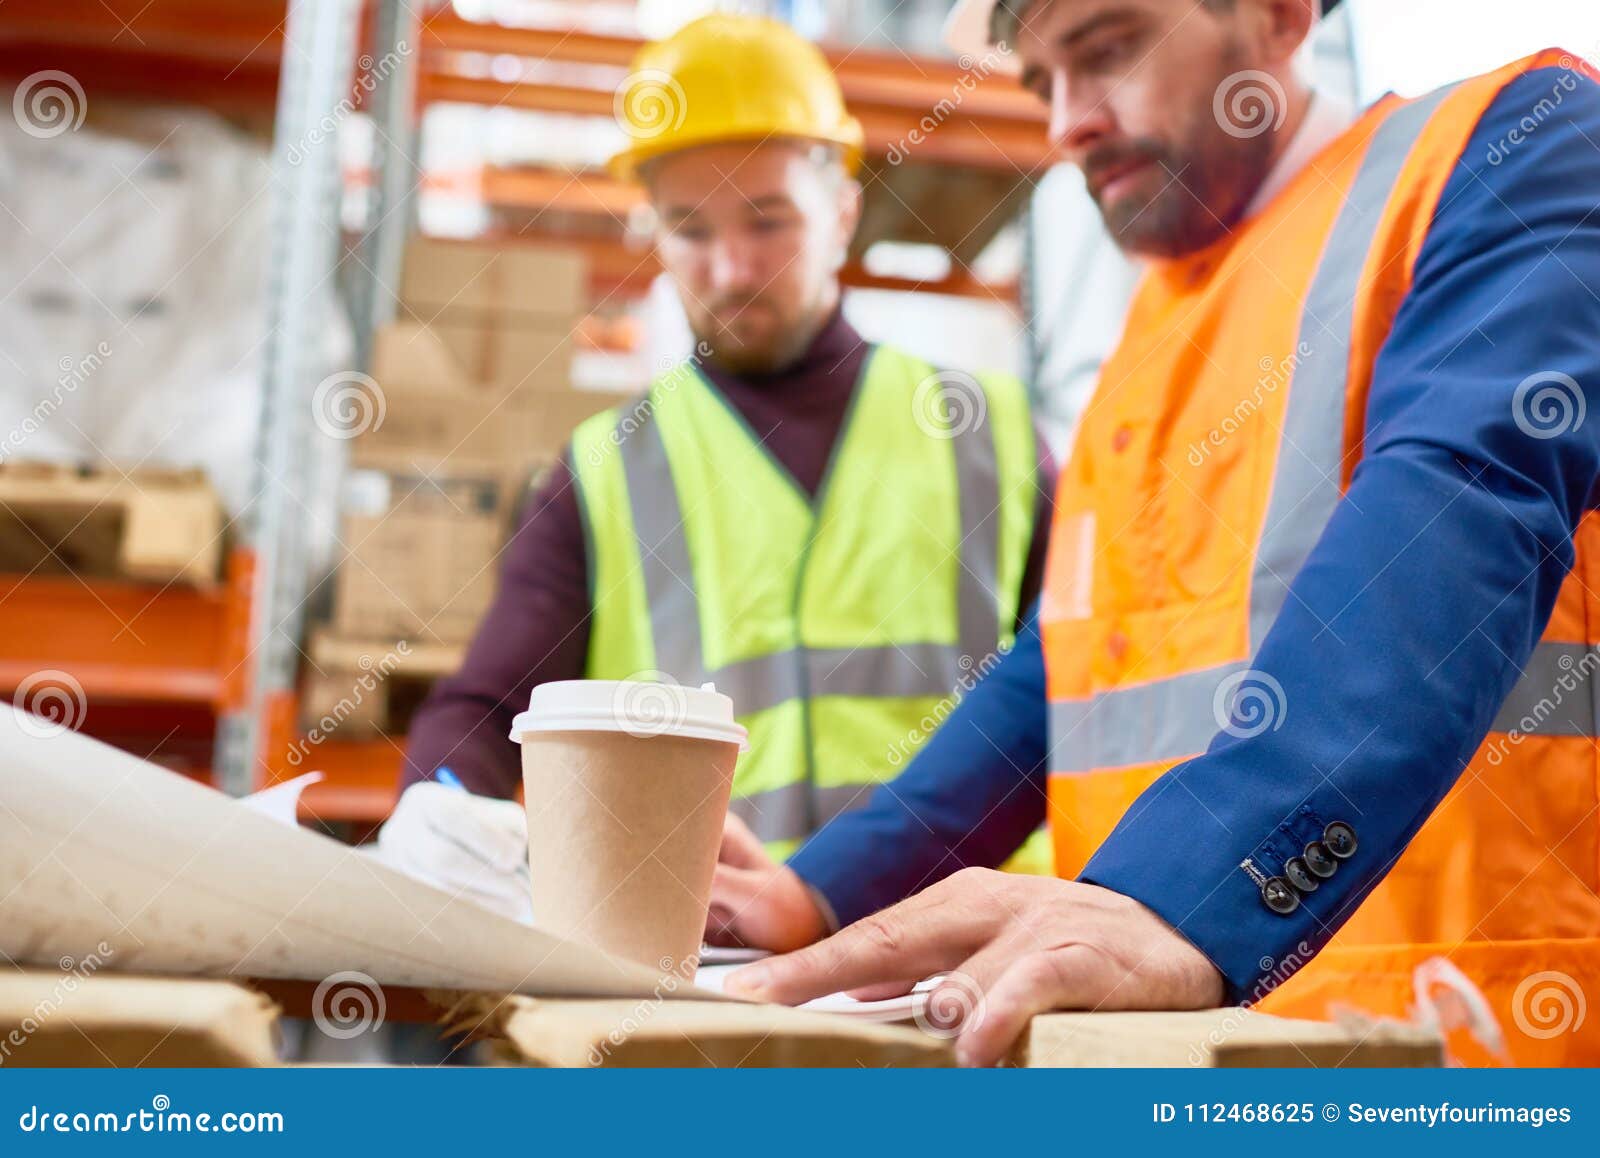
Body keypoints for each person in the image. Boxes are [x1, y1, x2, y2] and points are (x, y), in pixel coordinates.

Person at [710, 0, 1600, 1068]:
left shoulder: (1514, 150)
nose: (1066, 124)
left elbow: (1456, 517)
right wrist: (821, 889)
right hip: (1141, 1049)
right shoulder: (1147, 334)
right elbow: (1057, 675)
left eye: (1104, 50)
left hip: (1447, 1043)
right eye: (1041, 83)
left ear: (1276, 18)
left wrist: (1187, 893)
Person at [386, 13, 1057, 914]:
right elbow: (490, 711)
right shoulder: (604, 471)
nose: (733, 269)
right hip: (705, 956)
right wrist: (438, 809)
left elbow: (1077, 691)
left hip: (959, 953)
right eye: (689, 229)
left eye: (769, 221)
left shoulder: (990, 436)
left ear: (843, 212)